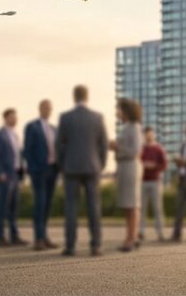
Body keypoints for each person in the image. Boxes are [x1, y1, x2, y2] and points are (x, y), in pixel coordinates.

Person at [56, 85, 108, 257]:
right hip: (92, 167)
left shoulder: (65, 118)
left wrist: (63, 165)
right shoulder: (97, 117)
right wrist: (100, 165)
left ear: (74, 97)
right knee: (94, 207)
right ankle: (96, 245)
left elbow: (59, 145)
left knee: (71, 207)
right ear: (87, 97)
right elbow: (104, 145)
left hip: (71, 168)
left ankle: (70, 246)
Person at [22, 99, 59, 250]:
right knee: (40, 203)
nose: (48, 110)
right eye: (45, 107)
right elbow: (27, 150)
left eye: (50, 108)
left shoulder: (54, 129)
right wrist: (32, 168)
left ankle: (44, 236)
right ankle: (38, 239)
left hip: (53, 170)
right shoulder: (32, 127)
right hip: (39, 171)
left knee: (47, 204)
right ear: (40, 109)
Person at [0, 108, 26, 246]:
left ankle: (14, 236)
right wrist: (0, 172)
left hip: (16, 175)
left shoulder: (15, 135)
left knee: (13, 207)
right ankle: (1, 238)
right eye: (12, 117)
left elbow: (18, 155)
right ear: (6, 118)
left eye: (15, 117)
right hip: (6, 176)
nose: (15, 119)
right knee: (3, 207)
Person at [112, 97, 144, 252]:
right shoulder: (127, 127)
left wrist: (117, 147)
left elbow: (135, 151)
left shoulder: (134, 128)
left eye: (119, 109)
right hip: (125, 167)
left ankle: (131, 238)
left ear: (126, 111)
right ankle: (132, 236)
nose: (117, 112)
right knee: (127, 204)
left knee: (132, 204)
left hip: (131, 167)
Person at [139, 126, 170, 243]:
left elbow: (165, 165)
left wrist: (154, 166)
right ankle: (141, 232)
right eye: (146, 134)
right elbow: (137, 162)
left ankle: (160, 232)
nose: (148, 136)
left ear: (154, 134)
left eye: (150, 134)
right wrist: (143, 165)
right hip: (142, 182)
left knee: (158, 208)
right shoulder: (141, 149)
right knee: (142, 208)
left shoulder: (159, 149)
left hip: (155, 181)